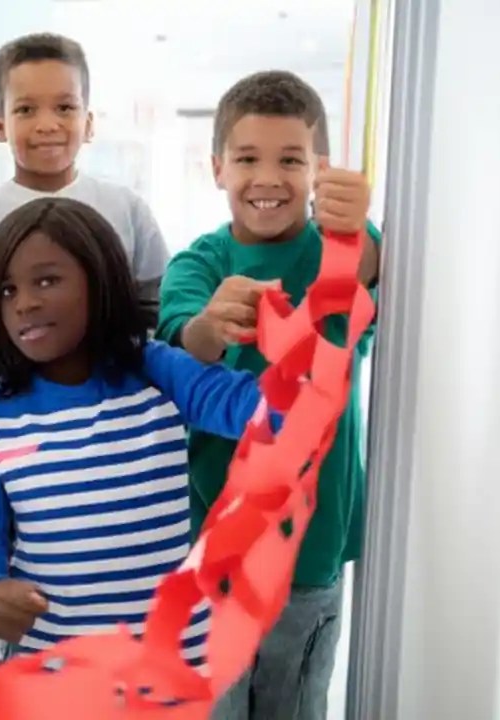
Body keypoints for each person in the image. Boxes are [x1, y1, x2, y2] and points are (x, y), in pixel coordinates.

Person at [0, 197, 273, 668]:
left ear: (98, 281)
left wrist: (287, 336)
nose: (25, 303)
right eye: (5, 291)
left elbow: (265, 416)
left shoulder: (156, 369)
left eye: (46, 280)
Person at [156, 70, 380, 720]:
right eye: (248, 159)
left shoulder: (345, 250)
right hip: (213, 547)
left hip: (311, 550)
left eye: (291, 161)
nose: (267, 178)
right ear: (217, 168)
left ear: (320, 170)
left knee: (294, 705)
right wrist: (209, 327)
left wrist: (355, 225)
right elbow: (180, 340)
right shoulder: (199, 263)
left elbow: (371, 265)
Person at [0, 33, 170, 329]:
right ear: (0, 126)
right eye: (25, 110)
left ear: (88, 123)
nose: (47, 125)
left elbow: (161, 307)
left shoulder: (127, 208)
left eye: (64, 108)